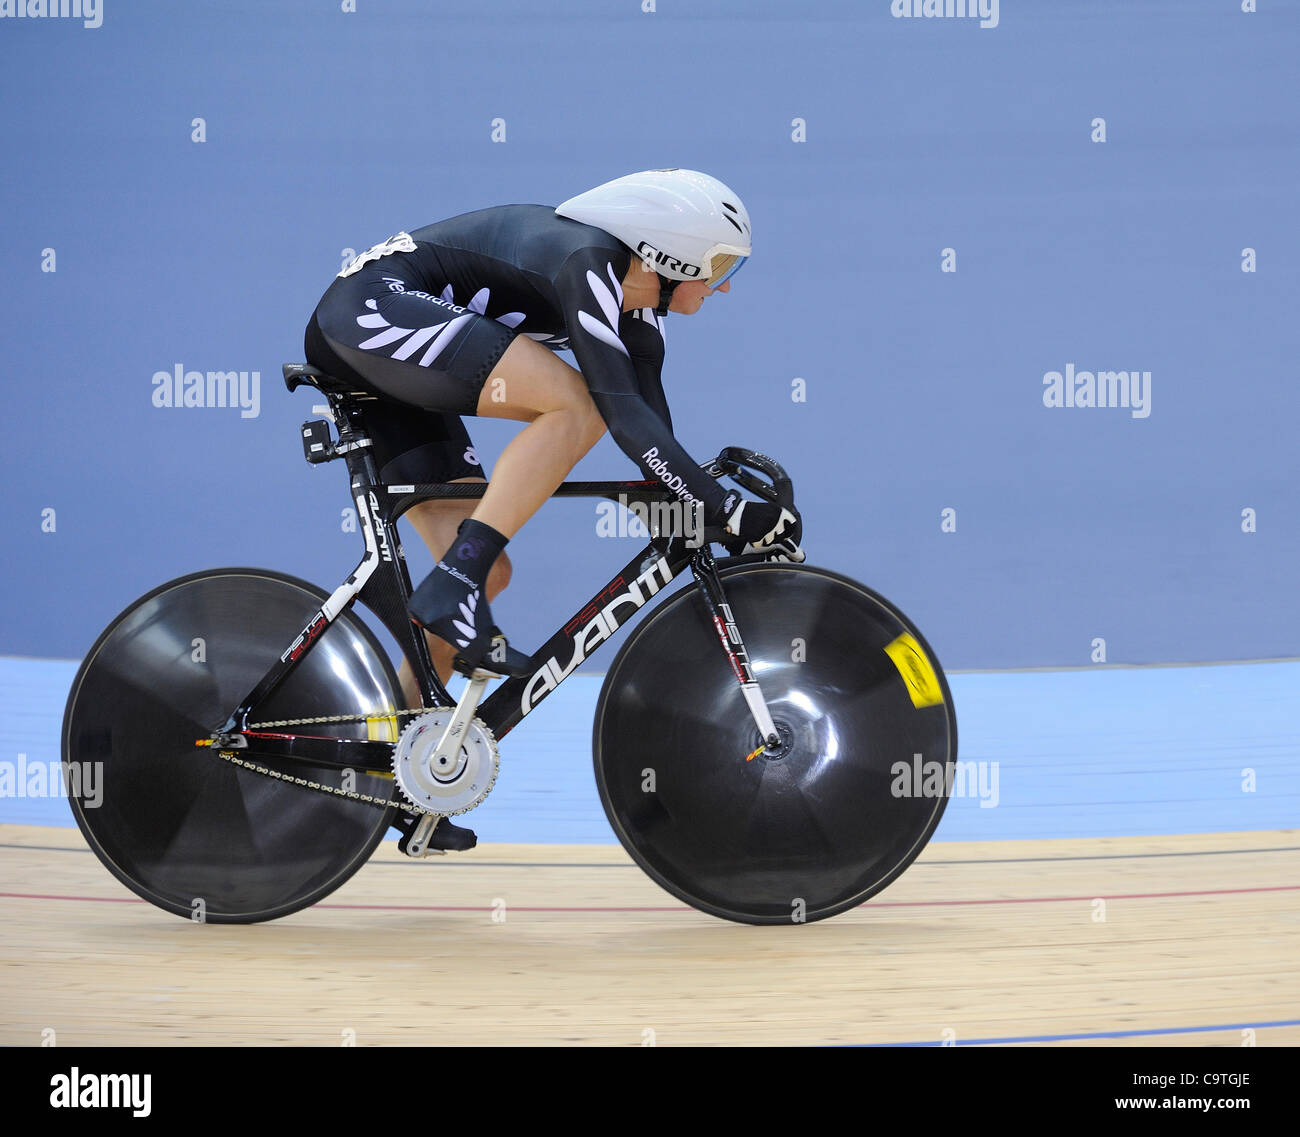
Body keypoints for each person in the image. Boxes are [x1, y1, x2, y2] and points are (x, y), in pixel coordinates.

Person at [305, 168, 802, 707]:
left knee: (487, 573)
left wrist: (698, 508)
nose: (726, 284)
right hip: (370, 309)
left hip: (386, 365)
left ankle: (389, 742)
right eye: (723, 264)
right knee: (577, 405)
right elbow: (619, 413)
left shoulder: (637, 315)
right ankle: (453, 581)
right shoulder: (587, 262)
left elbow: (650, 430)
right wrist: (729, 508)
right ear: (673, 256)